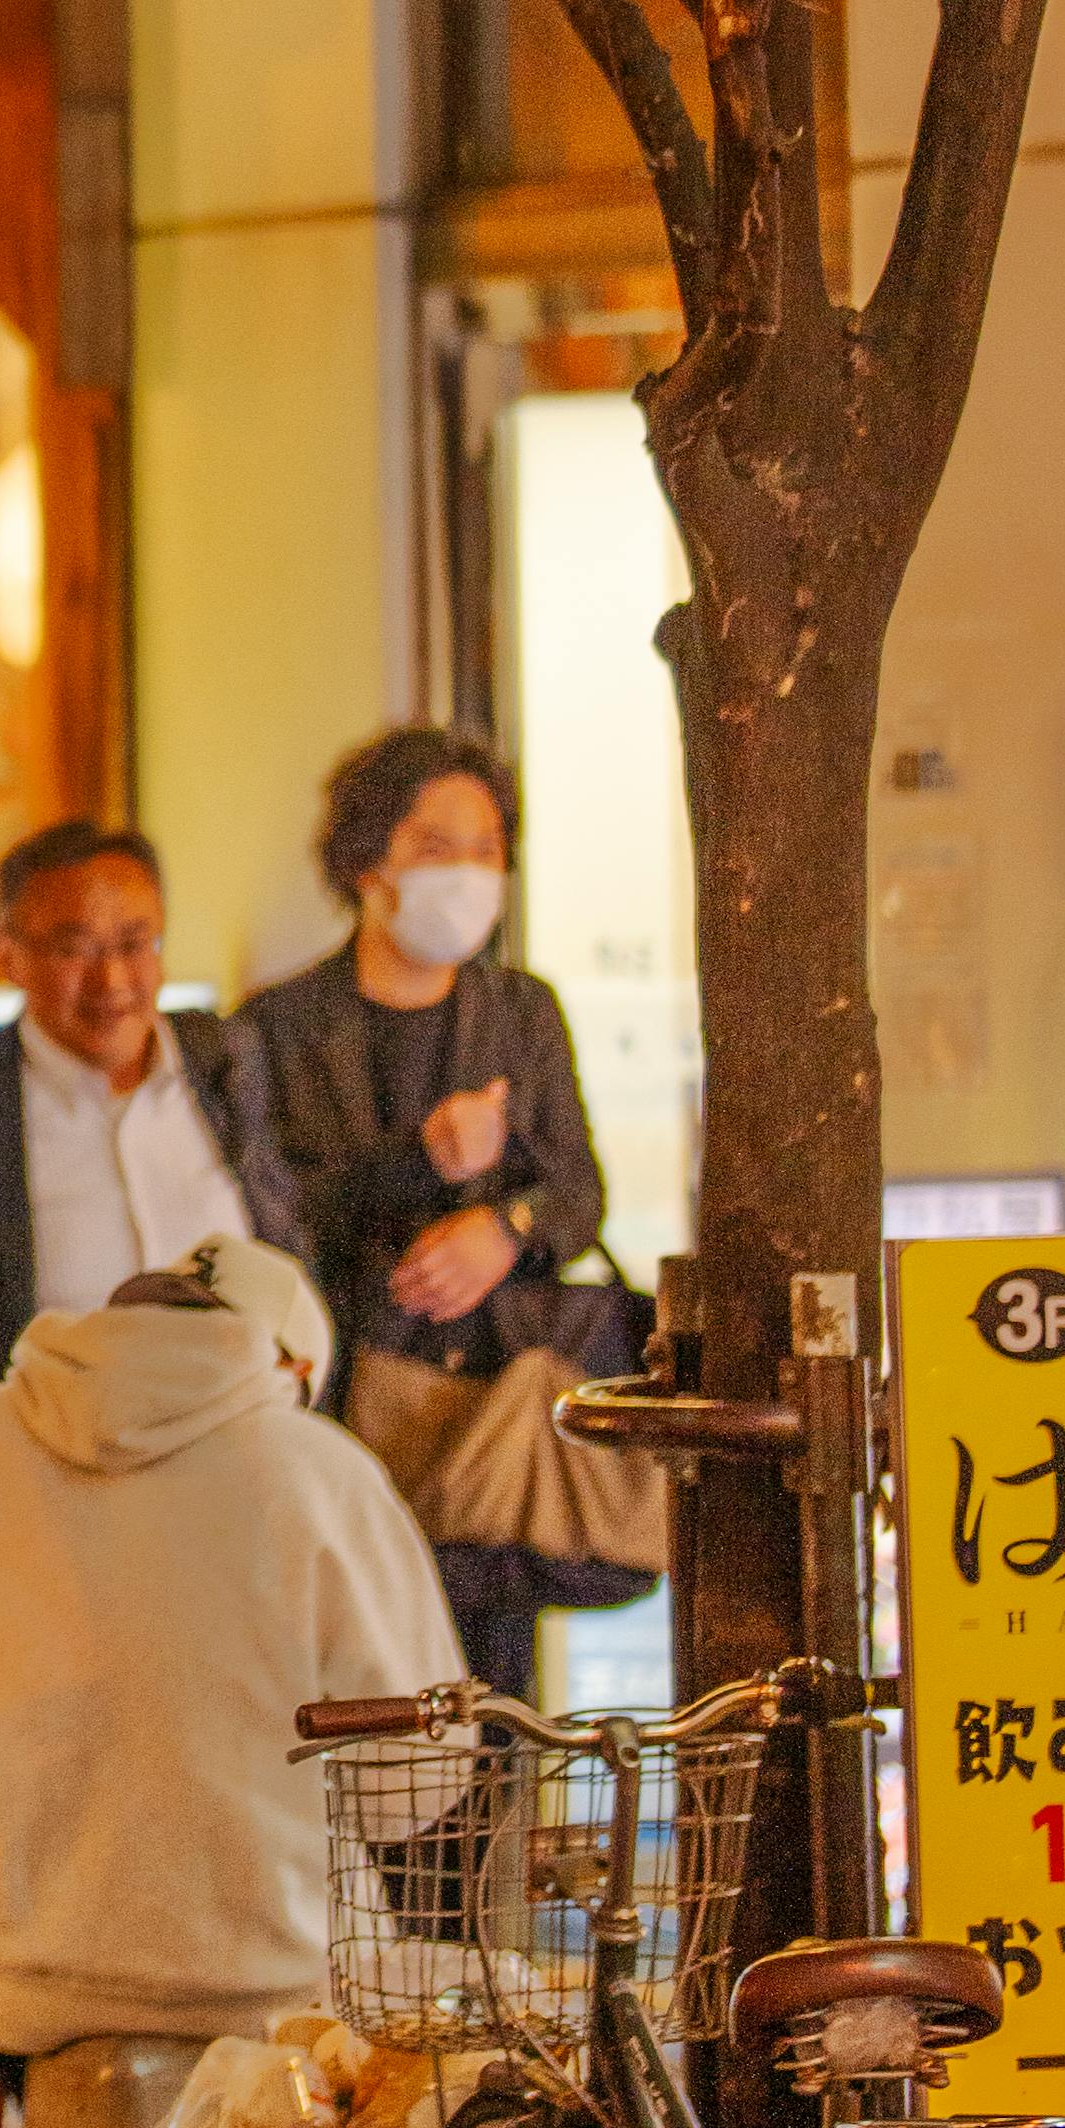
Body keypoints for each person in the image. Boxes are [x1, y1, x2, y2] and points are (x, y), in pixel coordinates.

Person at [0, 1233, 460, 2128]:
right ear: (292, 1366)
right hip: (285, 1999)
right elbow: (414, 1788)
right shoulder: (322, 1470)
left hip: (34, 1997)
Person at [231, 728, 637, 1701]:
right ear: (366, 861)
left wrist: (506, 1227)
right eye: (432, 843)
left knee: (494, 1710)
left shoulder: (520, 1013)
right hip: (343, 1419)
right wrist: (418, 1165)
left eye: (486, 845)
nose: (465, 871)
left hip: (494, 1423)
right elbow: (272, 1220)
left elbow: (580, 1195)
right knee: (351, 1703)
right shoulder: (276, 1027)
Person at [0, 815, 301, 1457]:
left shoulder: (225, 1063)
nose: (112, 980)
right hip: (39, 1478)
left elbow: (287, 1224)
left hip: (238, 1461)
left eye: (135, 942)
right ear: (9, 954)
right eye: (75, 948)